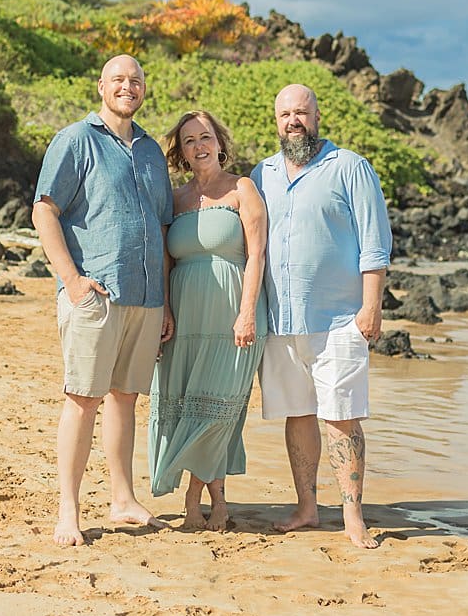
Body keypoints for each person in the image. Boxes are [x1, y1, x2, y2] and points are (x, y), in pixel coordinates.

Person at [32, 54, 175, 547]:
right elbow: (44, 211)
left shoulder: (154, 151)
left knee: (125, 398)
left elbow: (160, 226)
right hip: (96, 291)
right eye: (118, 79)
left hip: (146, 296)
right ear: (101, 86)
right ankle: (68, 512)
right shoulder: (76, 139)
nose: (127, 87)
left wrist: (167, 302)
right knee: (82, 398)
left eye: (135, 80)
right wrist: (71, 280)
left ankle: (122, 499)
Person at [250, 84, 392, 549]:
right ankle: (307, 507)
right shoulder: (262, 173)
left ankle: (352, 515)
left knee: (342, 417)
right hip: (282, 322)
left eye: (302, 112)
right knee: (298, 415)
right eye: (285, 114)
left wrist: (370, 308)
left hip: (339, 320)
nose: (294, 120)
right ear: (276, 121)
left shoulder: (349, 167)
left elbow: (375, 242)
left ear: (317, 116)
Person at [148, 110, 267, 531]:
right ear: (181, 151)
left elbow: (257, 254)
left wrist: (247, 312)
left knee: (217, 409)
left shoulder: (242, 189)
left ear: (220, 142)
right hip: (184, 316)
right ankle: (218, 499)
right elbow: (164, 260)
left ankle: (194, 495)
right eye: (189, 141)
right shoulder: (176, 199)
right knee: (187, 406)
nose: (199, 146)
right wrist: (164, 308)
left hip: (231, 316)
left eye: (205, 137)